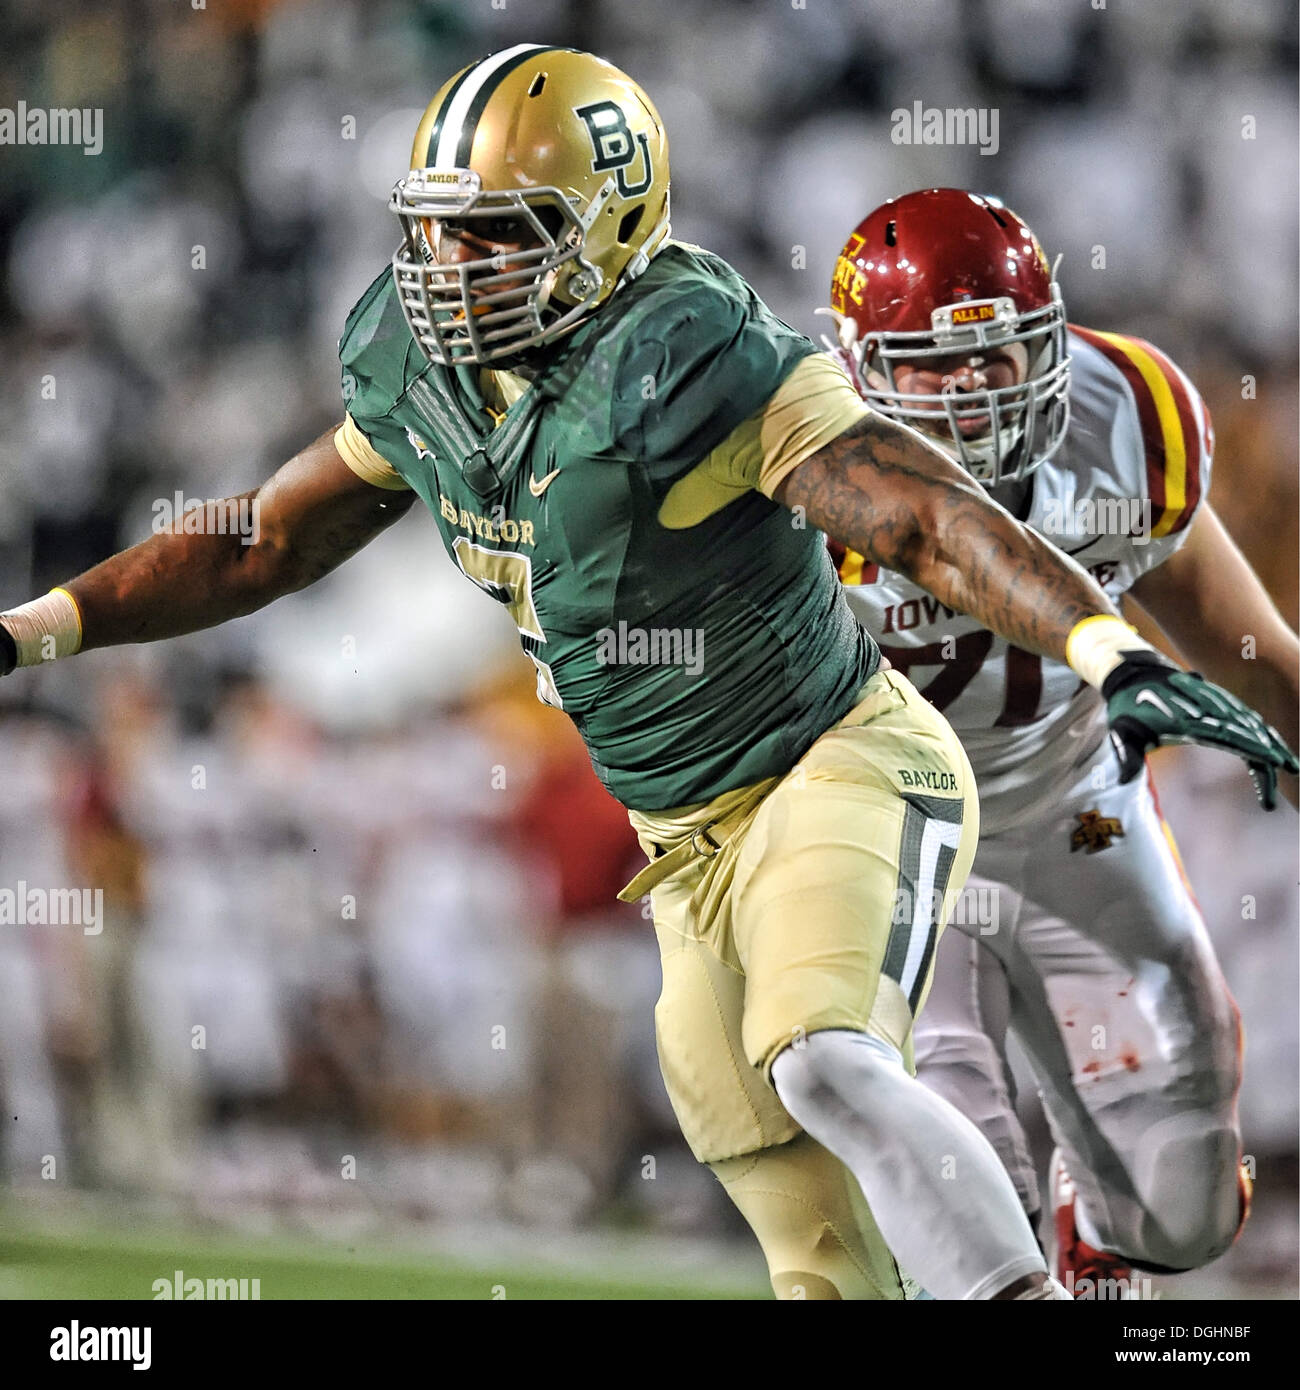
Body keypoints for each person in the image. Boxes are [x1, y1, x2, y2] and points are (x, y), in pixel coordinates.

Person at [2, 47, 1292, 1300]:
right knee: (815, 1229)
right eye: (442, 229)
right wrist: (33, 626)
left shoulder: (706, 358)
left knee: (883, 1088)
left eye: (500, 232)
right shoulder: (417, 360)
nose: (453, 268)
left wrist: (1104, 646)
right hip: (685, 838)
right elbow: (262, 541)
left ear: (607, 225)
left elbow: (927, 522)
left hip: (871, 771)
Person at [821, 186, 1300, 1295]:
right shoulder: (804, 459)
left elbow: (1244, 649)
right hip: (888, 836)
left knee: (1185, 1202)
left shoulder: (1124, 409)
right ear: (857, 368)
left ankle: (1100, 1221)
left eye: (998, 356)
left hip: (1076, 801)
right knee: (964, 1171)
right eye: (933, 366)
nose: (972, 389)